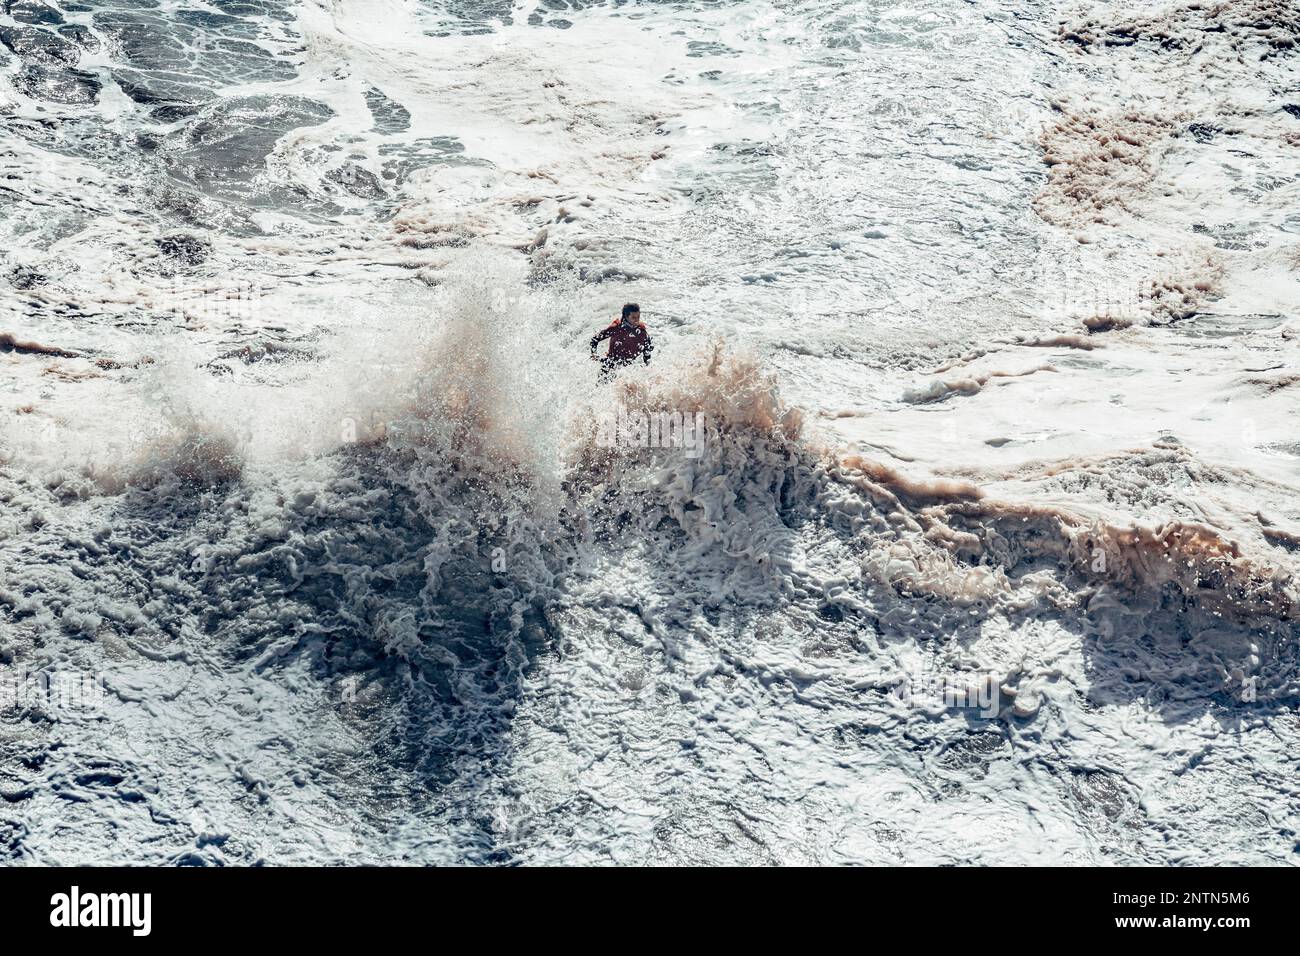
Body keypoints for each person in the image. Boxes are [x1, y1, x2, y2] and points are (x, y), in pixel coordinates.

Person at [590, 303, 653, 380]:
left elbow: (647, 348)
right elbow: (594, 340)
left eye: (638, 317)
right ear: (626, 317)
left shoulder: (641, 329)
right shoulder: (616, 328)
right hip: (611, 364)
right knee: (600, 387)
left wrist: (647, 367)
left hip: (629, 367)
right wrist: (594, 354)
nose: (637, 320)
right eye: (633, 317)